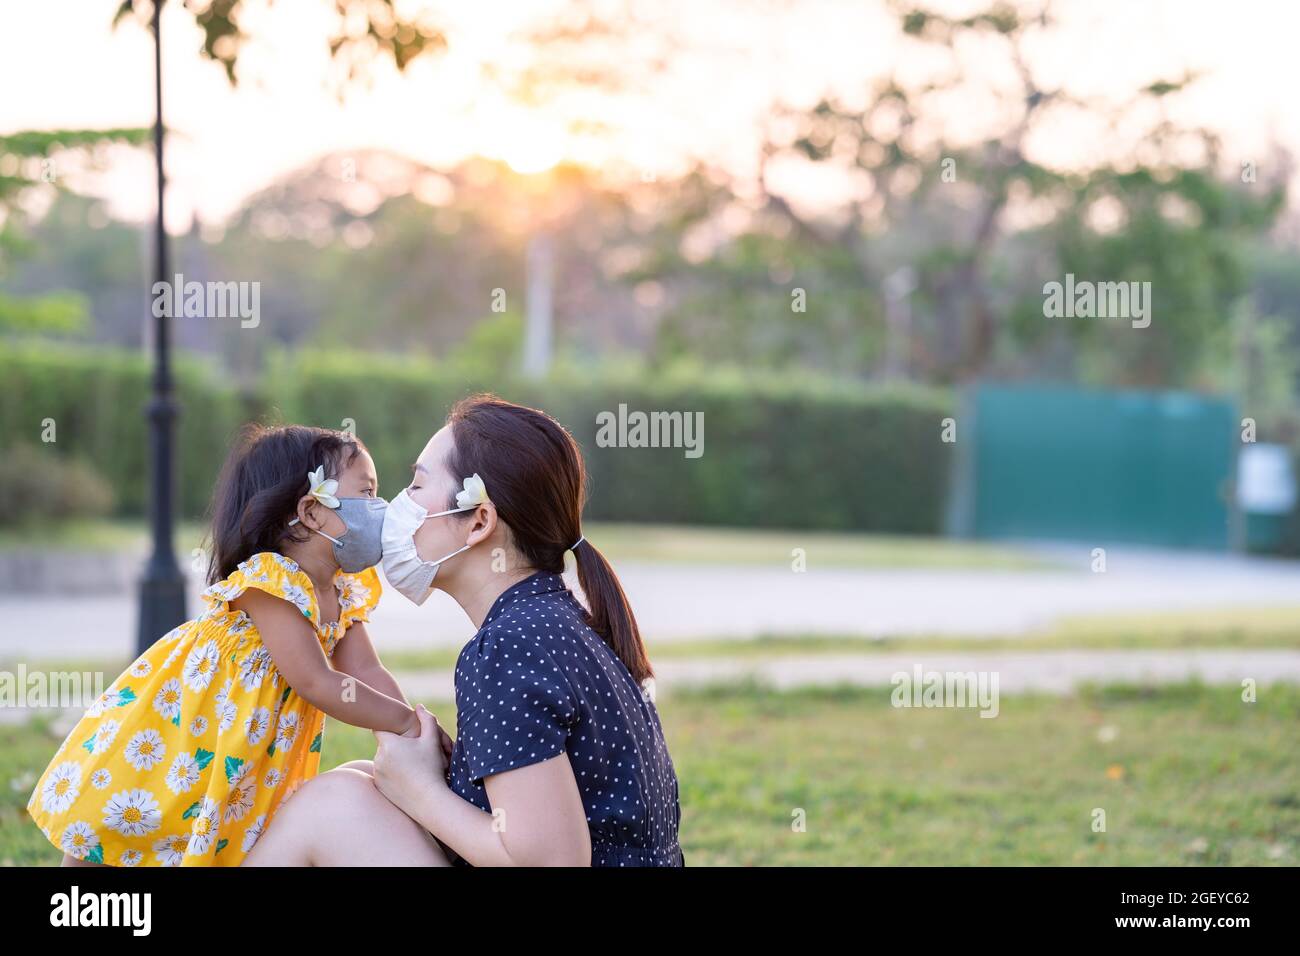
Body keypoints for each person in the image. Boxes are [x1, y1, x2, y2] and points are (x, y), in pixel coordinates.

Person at [244, 395, 683, 866]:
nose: (396, 507)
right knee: (358, 782)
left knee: (332, 807)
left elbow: (554, 861)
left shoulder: (508, 649)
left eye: (416, 485)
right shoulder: (557, 621)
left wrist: (420, 791)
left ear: (478, 521)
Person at [26, 424, 432, 867]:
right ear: (313, 511)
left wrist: (413, 727)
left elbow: (366, 672)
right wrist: (403, 725)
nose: (380, 508)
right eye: (367, 493)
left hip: (244, 738)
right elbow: (316, 681)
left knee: (224, 822)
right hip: (190, 725)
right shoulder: (269, 581)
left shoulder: (343, 590)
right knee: (141, 809)